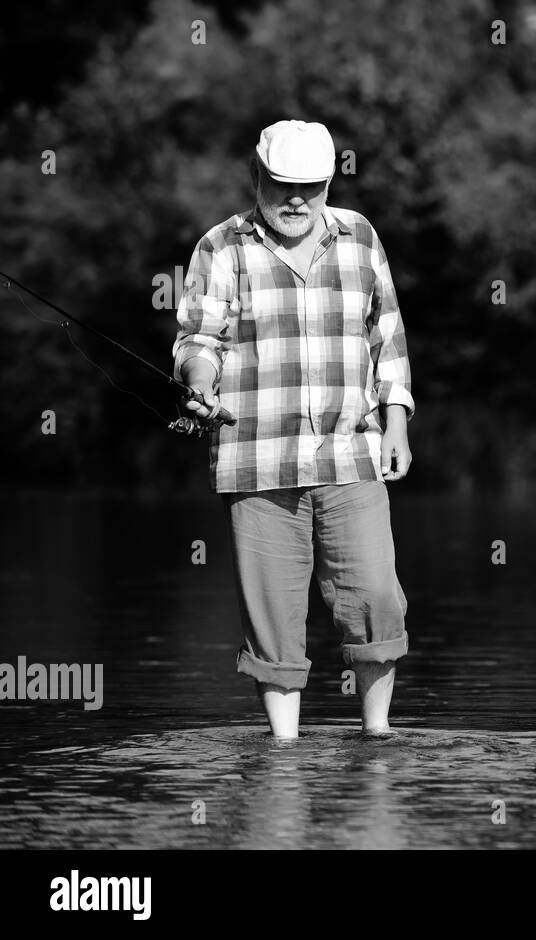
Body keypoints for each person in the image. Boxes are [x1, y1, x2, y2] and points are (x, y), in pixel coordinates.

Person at [173, 119, 414, 739]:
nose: (297, 200)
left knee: (377, 599)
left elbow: (386, 333)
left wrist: (397, 423)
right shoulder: (219, 247)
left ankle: (377, 737)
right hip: (256, 457)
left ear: (330, 180)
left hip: (352, 453)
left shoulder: (360, 236)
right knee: (273, 613)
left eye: (311, 186)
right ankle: (283, 749)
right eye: (283, 186)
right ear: (258, 177)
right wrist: (199, 381)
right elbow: (199, 340)